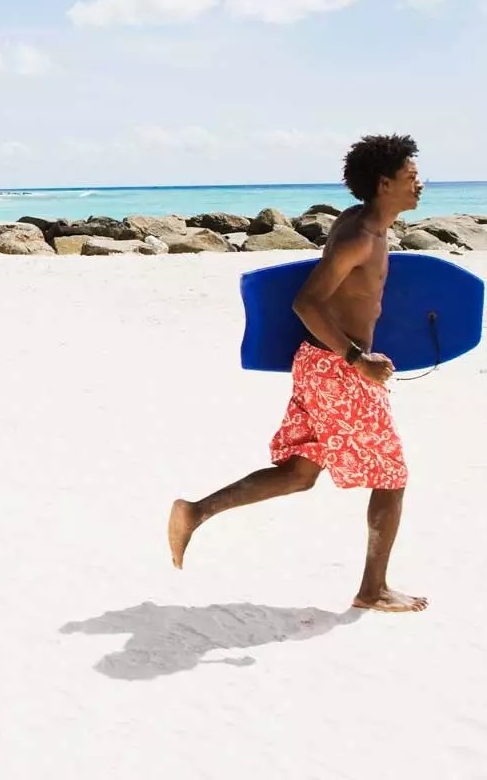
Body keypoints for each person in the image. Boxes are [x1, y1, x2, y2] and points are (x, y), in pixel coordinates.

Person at [167, 134, 428, 614]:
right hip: (337, 369)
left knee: (301, 472)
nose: (421, 185)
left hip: (319, 364)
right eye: (412, 178)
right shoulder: (359, 237)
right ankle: (373, 589)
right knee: (390, 475)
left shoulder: (368, 222)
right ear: (385, 182)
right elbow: (305, 302)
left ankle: (194, 512)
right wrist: (358, 360)